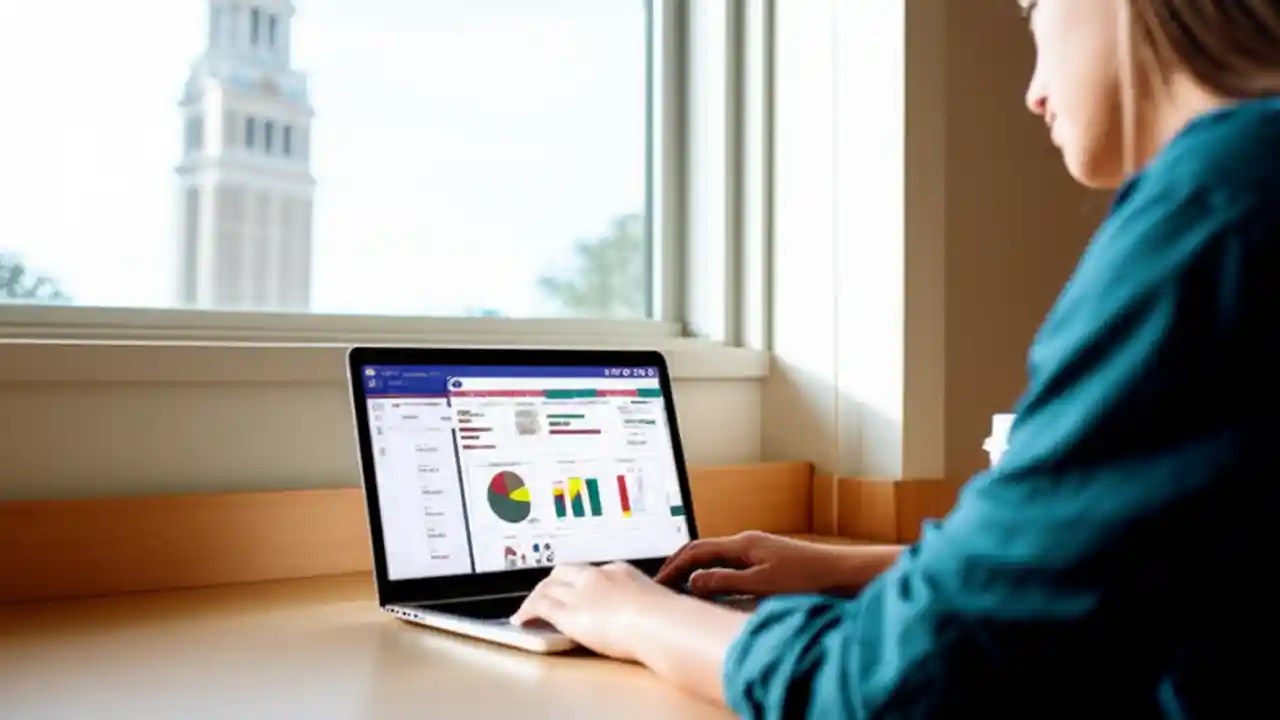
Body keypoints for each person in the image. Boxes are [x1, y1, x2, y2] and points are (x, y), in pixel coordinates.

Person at [512, 0, 1280, 715]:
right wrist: (847, 565)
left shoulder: (1215, 210)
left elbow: (899, 682)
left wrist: (634, 615)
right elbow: (1153, 558)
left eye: (1032, 12)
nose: (1033, 91)